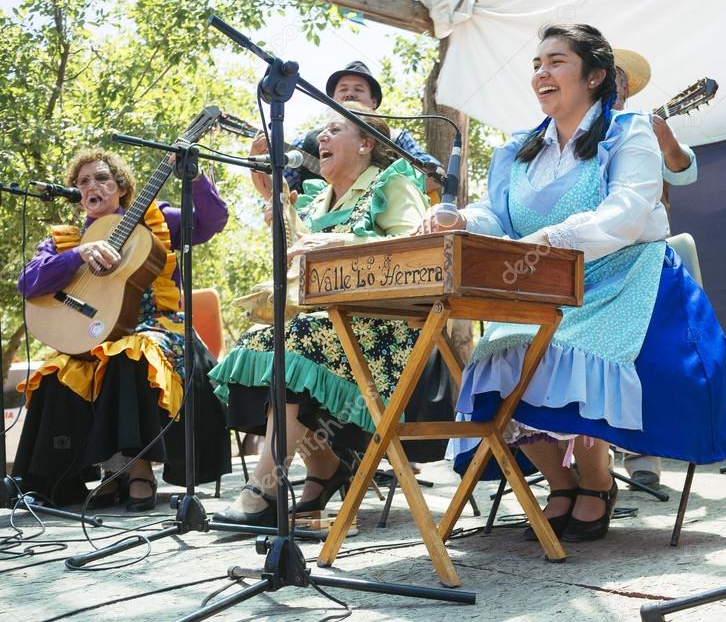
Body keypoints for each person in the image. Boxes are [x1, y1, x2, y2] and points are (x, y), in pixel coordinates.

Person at [422, 23, 726, 542]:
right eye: (537, 64)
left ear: (594, 77)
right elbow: (497, 216)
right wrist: (461, 219)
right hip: (544, 286)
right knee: (497, 358)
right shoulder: (520, 149)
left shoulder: (628, 131)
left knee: (569, 352)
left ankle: (597, 483)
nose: (541, 73)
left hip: (623, 278)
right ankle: (561, 483)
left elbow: (629, 211)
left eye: (556, 61)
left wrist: (551, 238)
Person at [209, 105, 444, 527]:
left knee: (293, 343)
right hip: (327, 325)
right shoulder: (317, 198)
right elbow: (299, 264)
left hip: (385, 331)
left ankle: (264, 490)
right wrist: (276, 202)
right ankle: (325, 469)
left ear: (367, 143)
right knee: (260, 343)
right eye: (322, 130)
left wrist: (342, 243)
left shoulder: (392, 182)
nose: (322, 137)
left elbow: (416, 251)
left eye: (335, 129)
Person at [14, 148, 231, 510]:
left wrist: (194, 177)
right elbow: (27, 282)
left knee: (128, 353)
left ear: (122, 187)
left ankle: (137, 470)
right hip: (92, 336)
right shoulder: (67, 240)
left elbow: (210, 222)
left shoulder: (154, 220)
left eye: (101, 178)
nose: (92, 186)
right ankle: (58, 482)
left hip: (156, 326)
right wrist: (77, 256)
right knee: (55, 372)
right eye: (83, 181)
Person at [611, 48, 704, 489]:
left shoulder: (641, 127)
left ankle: (641, 451)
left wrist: (665, 140)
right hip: (583, 261)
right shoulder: (565, 132)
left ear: (625, 87)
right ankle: (581, 451)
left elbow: (684, 173)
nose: (609, 83)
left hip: (640, 260)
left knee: (641, 343)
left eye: (616, 78)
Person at [248, 60, 439, 196]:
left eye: (358, 89)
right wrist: (257, 160)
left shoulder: (395, 139)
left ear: (373, 101)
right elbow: (276, 196)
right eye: (343, 89)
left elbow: (437, 176)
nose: (349, 94)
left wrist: (385, 194)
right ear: (332, 100)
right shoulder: (308, 141)